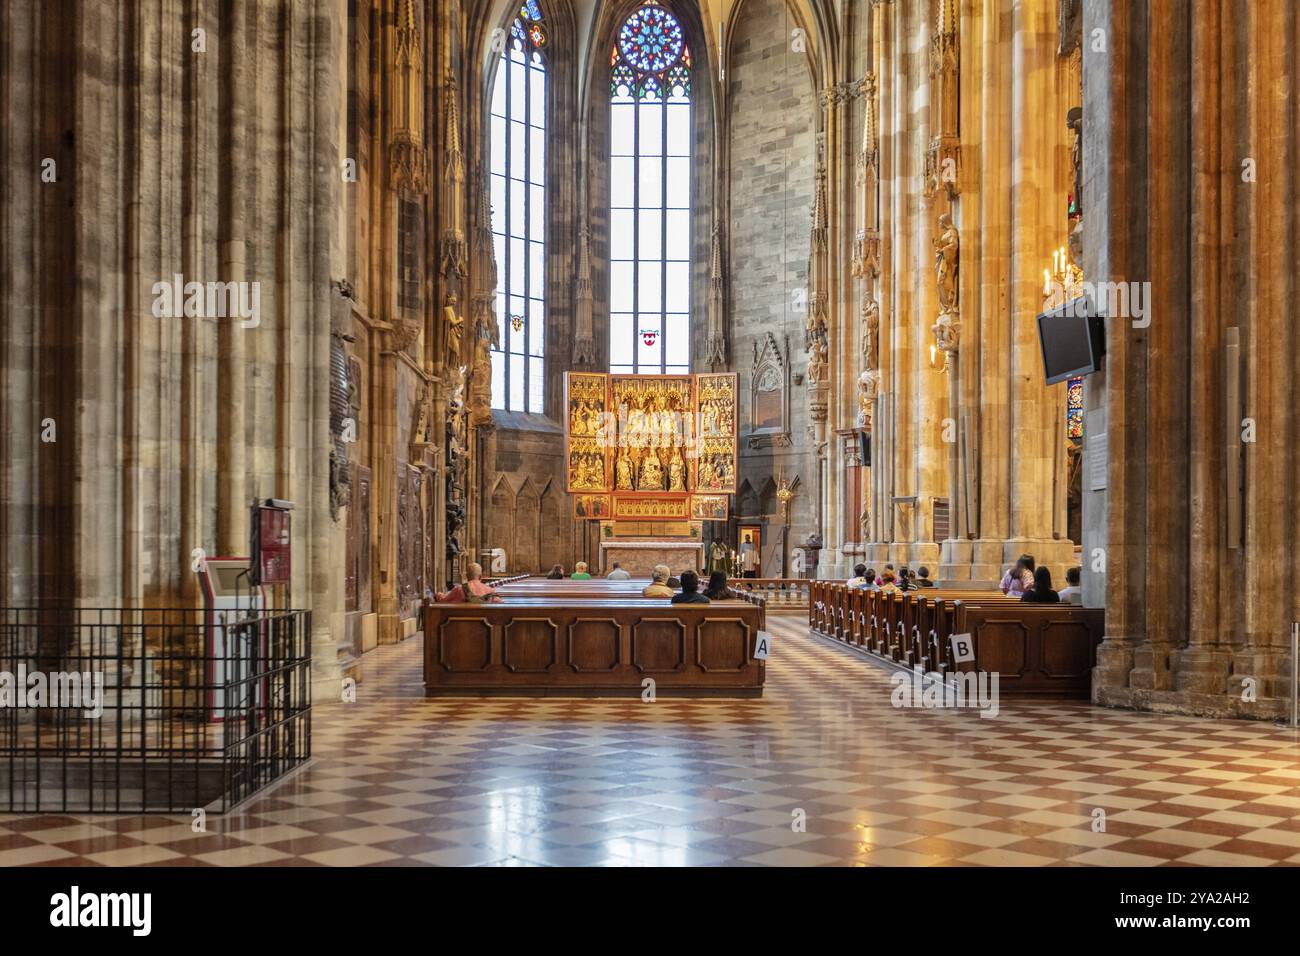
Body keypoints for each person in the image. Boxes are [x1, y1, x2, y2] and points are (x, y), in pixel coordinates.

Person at [436, 562, 503, 604]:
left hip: (462, 624)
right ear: (480, 577)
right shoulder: (490, 590)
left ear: (467, 576)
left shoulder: (459, 589)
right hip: (484, 624)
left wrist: (438, 594)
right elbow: (500, 603)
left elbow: (444, 600)